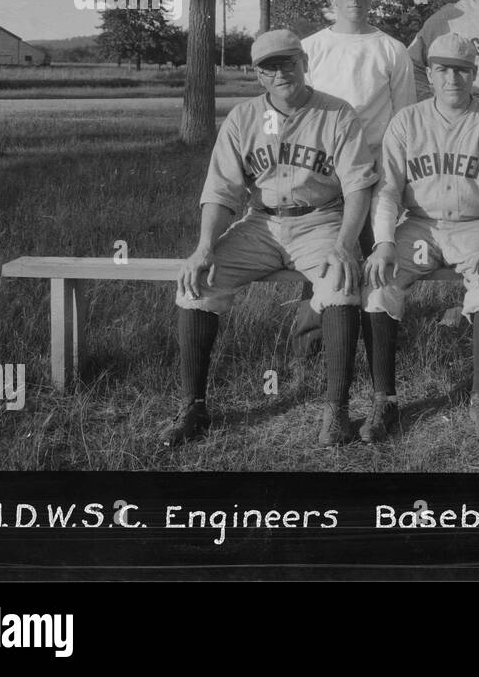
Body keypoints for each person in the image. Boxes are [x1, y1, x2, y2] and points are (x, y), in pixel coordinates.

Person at [161, 30, 378, 448]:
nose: (281, 73)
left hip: (321, 221)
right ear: (258, 75)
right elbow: (221, 191)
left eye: (288, 63)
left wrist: (345, 243)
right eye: (269, 67)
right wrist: (204, 247)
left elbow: (357, 188)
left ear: (304, 62)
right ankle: (193, 405)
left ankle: (337, 409)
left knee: (340, 282)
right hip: (261, 223)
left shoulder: (336, 113)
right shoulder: (242, 118)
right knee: (198, 283)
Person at [363, 34, 479, 441]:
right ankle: (383, 399)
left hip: (478, 226)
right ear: (431, 75)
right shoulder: (407, 121)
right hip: (421, 225)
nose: (452, 77)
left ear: (474, 74)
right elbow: (386, 191)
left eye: (461, 69)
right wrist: (384, 240)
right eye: (442, 69)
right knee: (378, 284)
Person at [289, 0, 416, 444]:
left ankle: (380, 381)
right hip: (321, 172)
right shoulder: (312, 48)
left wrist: (392, 176)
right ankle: (311, 355)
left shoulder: (391, 48)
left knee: (371, 267)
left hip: (374, 171)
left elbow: (403, 118)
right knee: (320, 264)